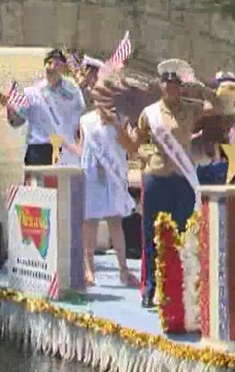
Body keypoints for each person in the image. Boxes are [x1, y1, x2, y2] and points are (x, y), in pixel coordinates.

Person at [115, 59, 203, 308]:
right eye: (166, 82)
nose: (170, 87)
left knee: (183, 233)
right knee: (152, 234)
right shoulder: (150, 113)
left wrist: (198, 86)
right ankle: (150, 287)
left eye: (175, 83)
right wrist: (139, 148)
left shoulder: (192, 109)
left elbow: (219, 107)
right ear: (160, 85)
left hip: (182, 179)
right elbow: (134, 144)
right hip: (156, 179)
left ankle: (182, 287)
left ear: (181, 86)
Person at [79, 92, 138, 287]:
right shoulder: (86, 120)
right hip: (92, 175)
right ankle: (89, 270)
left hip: (114, 176)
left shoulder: (121, 118)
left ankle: (123, 270)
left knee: (115, 222)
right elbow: (81, 148)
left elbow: (130, 146)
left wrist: (115, 123)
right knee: (90, 223)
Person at [6, 49, 85, 166]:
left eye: (57, 64)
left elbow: (80, 122)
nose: (52, 67)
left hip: (66, 150)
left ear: (63, 68)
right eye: (49, 63)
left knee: (66, 178)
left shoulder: (73, 92)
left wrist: (80, 146)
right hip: (38, 150)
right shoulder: (31, 92)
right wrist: (9, 108)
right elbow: (17, 122)